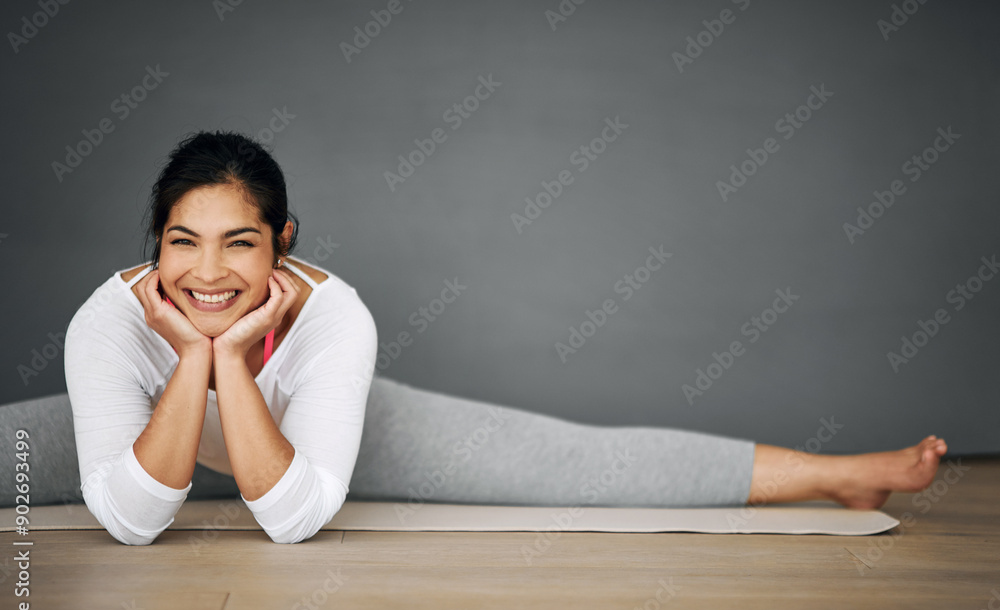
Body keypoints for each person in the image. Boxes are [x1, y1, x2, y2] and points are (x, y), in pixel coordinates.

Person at [0, 131, 949, 545]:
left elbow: (290, 518)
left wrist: (224, 358)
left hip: (315, 439)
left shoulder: (335, 317)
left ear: (284, 242)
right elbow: (129, 521)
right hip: (139, 422)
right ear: (156, 246)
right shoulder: (112, 322)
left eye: (239, 243)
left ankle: (835, 474)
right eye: (183, 244)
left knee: (575, 466)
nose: (207, 275)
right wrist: (193, 356)